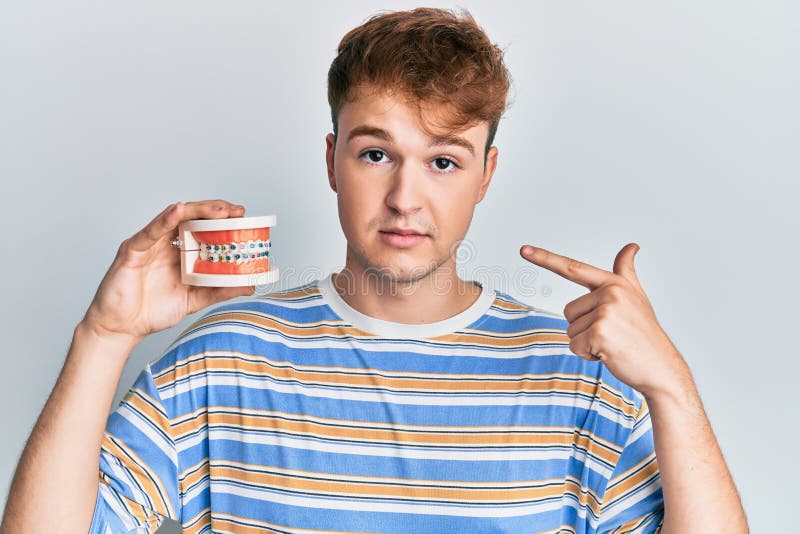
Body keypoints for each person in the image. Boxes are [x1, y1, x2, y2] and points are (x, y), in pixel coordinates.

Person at [2, 7, 748, 533]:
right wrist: (102, 336)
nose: (403, 198)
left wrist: (672, 389)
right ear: (331, 161)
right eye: (375, 153)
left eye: (443, 162)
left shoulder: (579, 373)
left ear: (485, 177)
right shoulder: (221, 360)